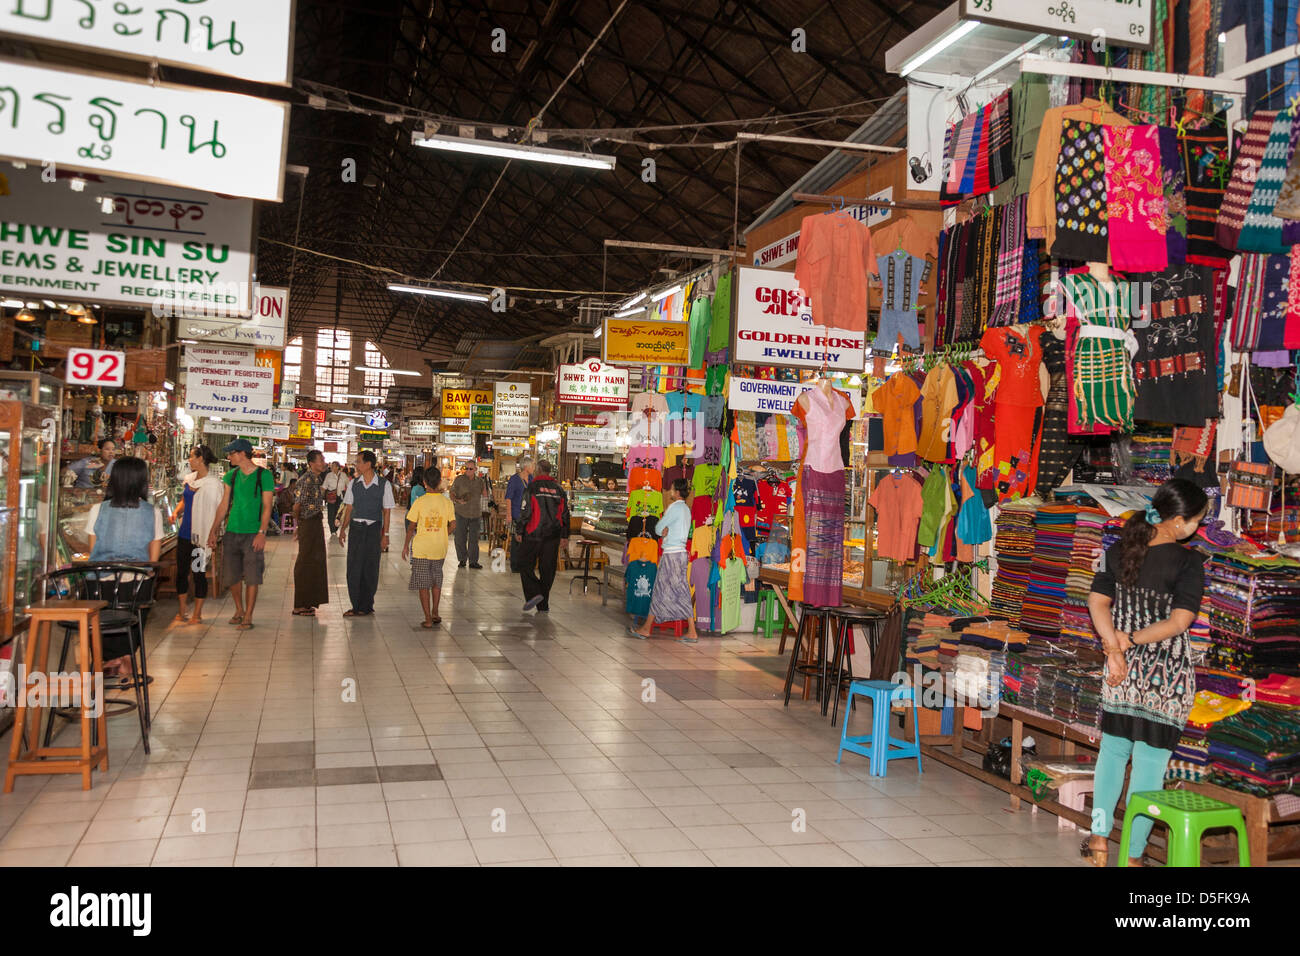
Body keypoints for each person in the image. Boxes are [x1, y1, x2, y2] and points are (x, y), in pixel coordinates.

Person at [1085, 478, 1209, 868]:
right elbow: (1179, 622)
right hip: (1166, 675)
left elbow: (1097, 603)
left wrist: (1113, 648)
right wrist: (1129, 642)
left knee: (1112, 754)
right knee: (1149, 765)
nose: (1198, 528)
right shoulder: (1189, 561)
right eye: (1198, 520)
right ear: (1179, 521)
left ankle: (1099, 839)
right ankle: (1133, 856)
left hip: (1120, 671)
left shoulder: (1119, 550)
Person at [86, 456, 164, 675]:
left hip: (100, 586)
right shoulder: (153, 513)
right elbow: (153, 560)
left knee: (102, 613)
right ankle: (127, 654)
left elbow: (93, 551)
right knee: (135, 610)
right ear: (141, 481)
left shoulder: (97, 510)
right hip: (136, 587)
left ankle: (110, 658)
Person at [207, 439, 274, 631]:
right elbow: (224, 505)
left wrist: (262, 532)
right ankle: (239, 609)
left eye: (231, 453)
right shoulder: (231, 476)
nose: (229, 457)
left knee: (252, 576)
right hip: (232, 531)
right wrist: (213, 529)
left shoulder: (264, 476)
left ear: (242, 454)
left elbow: (267, 507)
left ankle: (249, 615)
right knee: (232, 575)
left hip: (253, 532)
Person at [631, 478, 700, 643]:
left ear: (676, 492)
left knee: (661, 589)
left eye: (672, 488)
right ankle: (689, 630)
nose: (670, 491)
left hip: (671, 554)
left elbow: (657, 528)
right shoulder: (686, 509)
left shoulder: (674, 508)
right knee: (675, 590)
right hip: (681, 553)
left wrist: (664, 530)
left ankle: (647, 628)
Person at [337, 450, 393, 617]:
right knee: (354, 567)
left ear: (368, 464)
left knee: (370, 567)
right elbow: (349, 508)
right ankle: (356, 605)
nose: (356, 465)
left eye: (359, 462)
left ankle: (366, 605)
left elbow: (387, 511)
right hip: (357, 529)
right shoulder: (354, 483)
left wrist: (386, 535)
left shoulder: (384, 484)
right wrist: (343, 530)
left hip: (374, 529)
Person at [171, 444, 222, 625]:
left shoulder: (213, 484)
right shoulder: (190, 479)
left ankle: (197, 613)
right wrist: (176, 512)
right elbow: (185, 500)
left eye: (192, 457)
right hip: (185, 533)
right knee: (181, 573)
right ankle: (182, 609)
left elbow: (217, 510)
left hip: (200, 536)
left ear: (201, 459)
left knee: (198, 572)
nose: (189, 460)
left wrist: (213, 533)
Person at [402, 470, 455, 628]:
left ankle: (428, 619)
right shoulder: (447, 503)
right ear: (439, 482)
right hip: (440, 547)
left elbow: (411, 527)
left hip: (421, 548)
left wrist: (405, 546)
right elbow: (453, 525)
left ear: (425, 482)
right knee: (436, 581)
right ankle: (435, 611)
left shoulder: (419, 502)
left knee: (423, 583)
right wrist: (442, 534)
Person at [516, 459, 570, 613]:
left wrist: (520, 530)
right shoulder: (559, 490)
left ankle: (535, 593)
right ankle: (543, 604)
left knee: (524, 565)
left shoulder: (532, 487)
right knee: (548, 570)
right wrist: (564, 536)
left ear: (538, 470)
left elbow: (525, 511)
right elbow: (565, 514)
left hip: (533, 534)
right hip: (552, 536)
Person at [292, 450, 330, 617]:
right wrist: (299, 525)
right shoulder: (306, 480)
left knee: (315, 561)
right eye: (321, 460)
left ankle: (308, 601)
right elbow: (296, 506)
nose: (324, 462)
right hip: (307, 523)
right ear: (312, 463)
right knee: (305, 561)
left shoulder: (317, 479)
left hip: (314, 522)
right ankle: (299, 604)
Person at [450, 460, 484, 569]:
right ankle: (462, 559)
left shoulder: (480, 481)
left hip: (475, 513)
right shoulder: (459, 479)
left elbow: (485, 494)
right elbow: (452, 493)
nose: (468, 471)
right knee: (460, 537)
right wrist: (456, 500)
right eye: (466, 468)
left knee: (474, 539)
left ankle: (473, 561)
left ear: (475, 469)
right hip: (461, 513)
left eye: (470, 469)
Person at [322, 461, 347, 537]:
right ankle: (332, 530)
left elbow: (348, 485)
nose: (332, 468)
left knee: (338, 514)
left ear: (338, 467)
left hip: (340, 497)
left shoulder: (343, 475)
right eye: (331, 466)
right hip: (331, 497)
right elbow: (324, 486)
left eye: (333, 466)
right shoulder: (329, 475)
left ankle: (335, 528)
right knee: (331, 513)